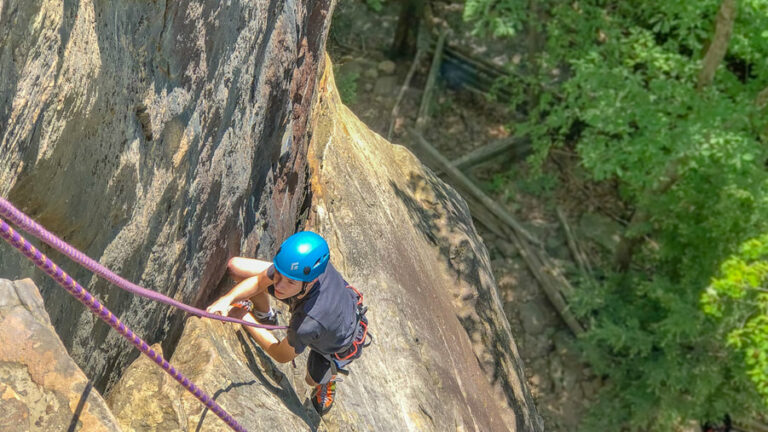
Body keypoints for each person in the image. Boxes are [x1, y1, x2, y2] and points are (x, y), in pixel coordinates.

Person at [206, 231, 369, 415]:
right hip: (322, 300)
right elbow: (261, 281)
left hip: (339, 342)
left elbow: (281, 354)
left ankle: (327, 379)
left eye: (289, 281)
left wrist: (243, 317)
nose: (278, 286)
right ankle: (265, 314)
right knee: (236, 268)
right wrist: (226, 300)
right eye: (278, 274)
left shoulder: (307, 323)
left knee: (310, 380)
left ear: (312, 280)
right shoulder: (307, 266)